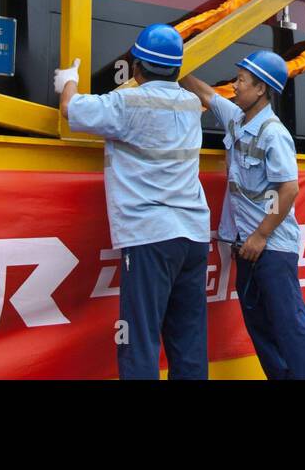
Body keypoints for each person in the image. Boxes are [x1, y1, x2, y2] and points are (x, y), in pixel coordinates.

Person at [53, 24, 210, 379]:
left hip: (150, 238)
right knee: (188, 339)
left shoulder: (127, 102)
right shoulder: (190, 104)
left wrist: (69, 79)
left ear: (137, 66)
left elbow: (70, 109)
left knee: (137, 339)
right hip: (194, 236)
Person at [180, 51, 305, 379]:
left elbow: (288, 190)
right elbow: (206, 93)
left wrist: (262, 234)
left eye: (241, 81)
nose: (234, 86)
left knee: (290, 325)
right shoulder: (237, 119)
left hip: (272, 249)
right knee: (261, 326)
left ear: (261, 89)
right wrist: (178, 63)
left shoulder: (273, 134)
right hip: (246, 247)